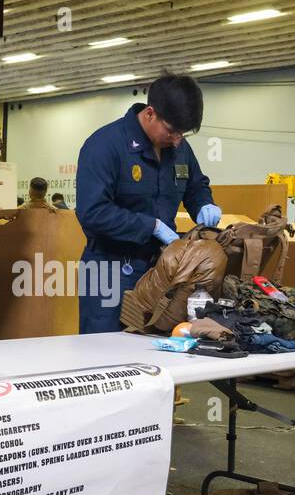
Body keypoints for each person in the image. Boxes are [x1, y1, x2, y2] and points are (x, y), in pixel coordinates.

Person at [75, 73, 220, 333]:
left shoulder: (179, 148)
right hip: (108, 267)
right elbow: (92, 212)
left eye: (183, 133)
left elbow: (196, 185)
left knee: (156, 343)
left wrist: (204, 205)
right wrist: (150, 226)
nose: (177, 139)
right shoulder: (105, 145)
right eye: (172, 131)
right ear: (150, 113)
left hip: (161, 267)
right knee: (102, 348)